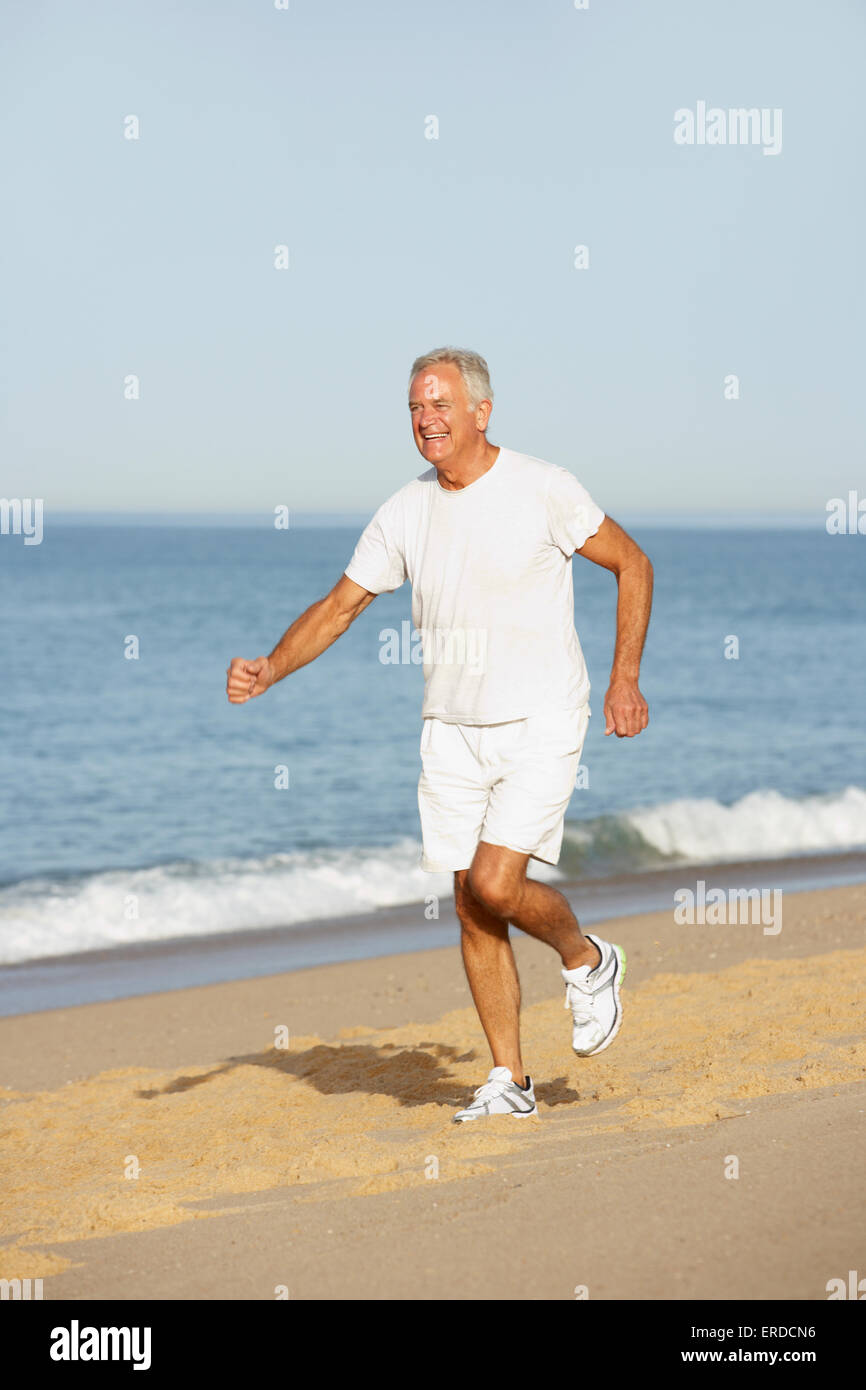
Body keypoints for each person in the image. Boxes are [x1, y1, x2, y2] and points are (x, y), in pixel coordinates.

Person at [227, 347, 652, 1123]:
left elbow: (633, 563)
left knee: (494, 882)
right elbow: (340, 607)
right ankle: (511, 1081)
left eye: (442, 405)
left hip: (541, 717)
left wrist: (625, 678)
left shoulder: (544, 488)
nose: (427, 420)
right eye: (416, 408)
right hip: (449, 728)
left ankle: (588, 959)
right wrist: (270, 669)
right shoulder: (406, 510)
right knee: (470, 904)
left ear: (482, 412)